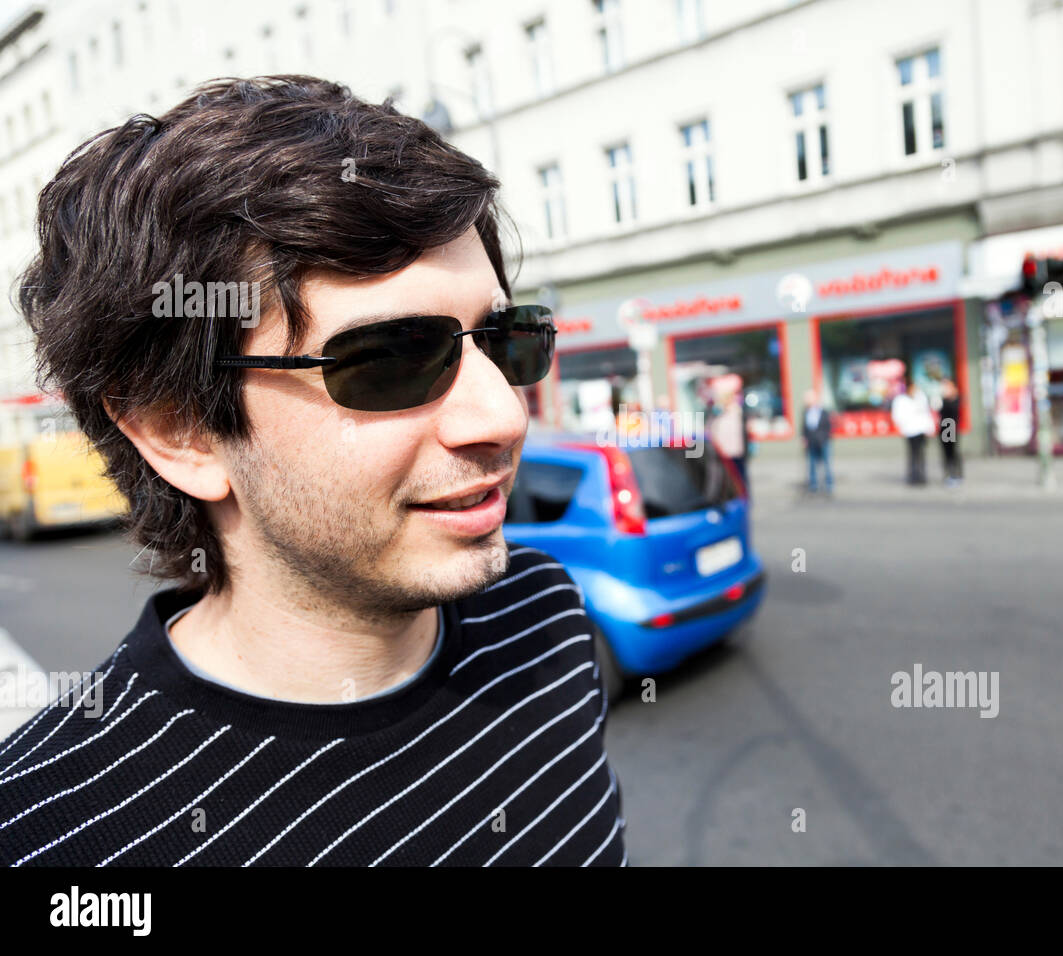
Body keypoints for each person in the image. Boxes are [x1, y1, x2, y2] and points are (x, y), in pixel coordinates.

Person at [0, 76, 625, 867]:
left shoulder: (544, 621)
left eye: (504, 340)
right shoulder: (49, 837)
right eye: (392, 358)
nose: (502, 415)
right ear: (179, 431)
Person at [890, 370, 936, 486]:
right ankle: (913, 475)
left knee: (921, 453)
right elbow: (898, 416)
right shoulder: (901, 400)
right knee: (913, 453)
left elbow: (926, 413)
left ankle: (922, 475)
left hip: (921, 430)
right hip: (910, 431)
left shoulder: (921, 398)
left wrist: (929, 428)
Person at [709, 379, 748, 492]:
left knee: (740, 479)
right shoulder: (717, 414)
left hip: (736, 453)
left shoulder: (737, 412)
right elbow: (711, 430)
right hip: (723, 453)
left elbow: (744, 433)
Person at [801, 389, 833, 495]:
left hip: (823, 441)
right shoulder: (806, 412)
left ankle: (829, 485)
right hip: (811, 442)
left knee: (826, 464)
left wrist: (823, 438)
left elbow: (828, 427)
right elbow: (804, 427)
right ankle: (813, 485)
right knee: (812, 465)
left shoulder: (823, 412)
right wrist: (804, 438)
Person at [936, 375, 963, 486]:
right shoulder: (942, 399)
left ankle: (956, 474)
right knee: (945, 453)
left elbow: (953, 412)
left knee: (952, 453)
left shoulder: (954, 398)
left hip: (950, 427)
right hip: (943, 427)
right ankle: (948, 474)